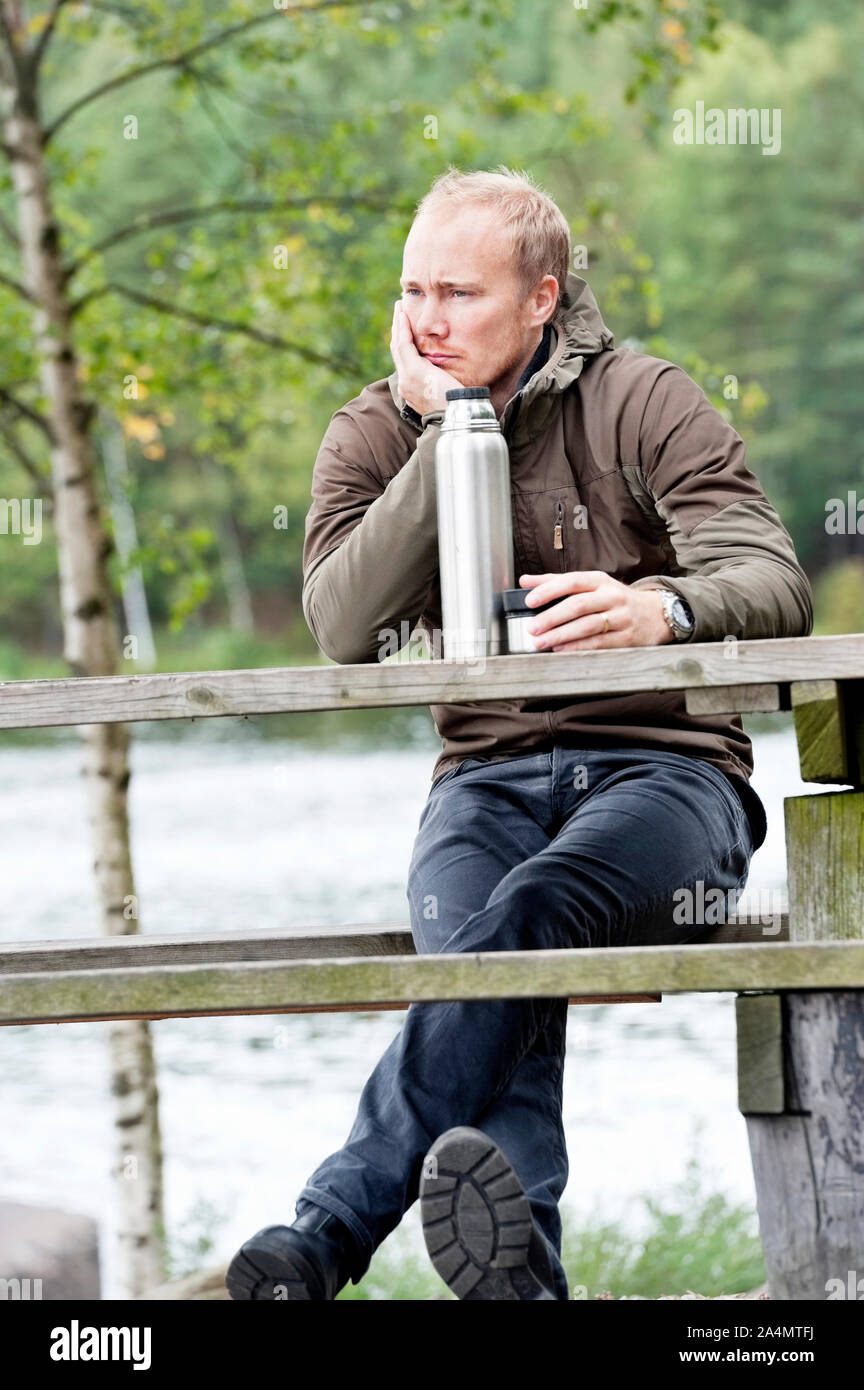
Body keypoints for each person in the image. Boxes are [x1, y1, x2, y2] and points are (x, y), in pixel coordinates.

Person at [226, 165, 813, 1302]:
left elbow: (773, 579)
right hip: (483, 779)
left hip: (667, 777)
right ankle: (522, 1282)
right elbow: (342, 626)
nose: (426, 321)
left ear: (543, 297)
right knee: (482, 948)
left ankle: (328, 1230)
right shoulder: (371, 429)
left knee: (525, 917)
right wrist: (449, 438)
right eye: (411, 292)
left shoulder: (644, 399)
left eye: (459, 293)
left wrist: (667, 609)